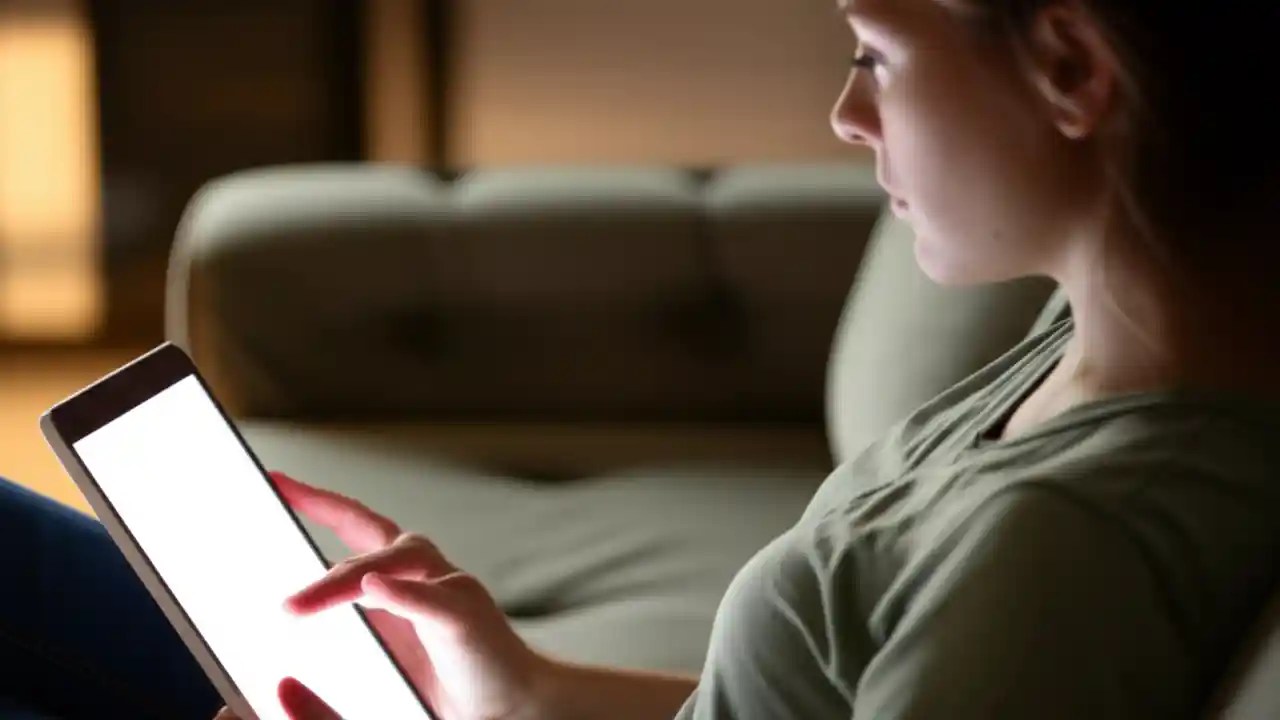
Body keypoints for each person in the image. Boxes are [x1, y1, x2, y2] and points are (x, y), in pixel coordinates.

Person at [3, 0, 1279, 717]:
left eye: (874, 54)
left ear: (1069, 68)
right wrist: (521, 689)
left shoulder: (1058, 548)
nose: (846, 115)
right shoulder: (1092, 340)